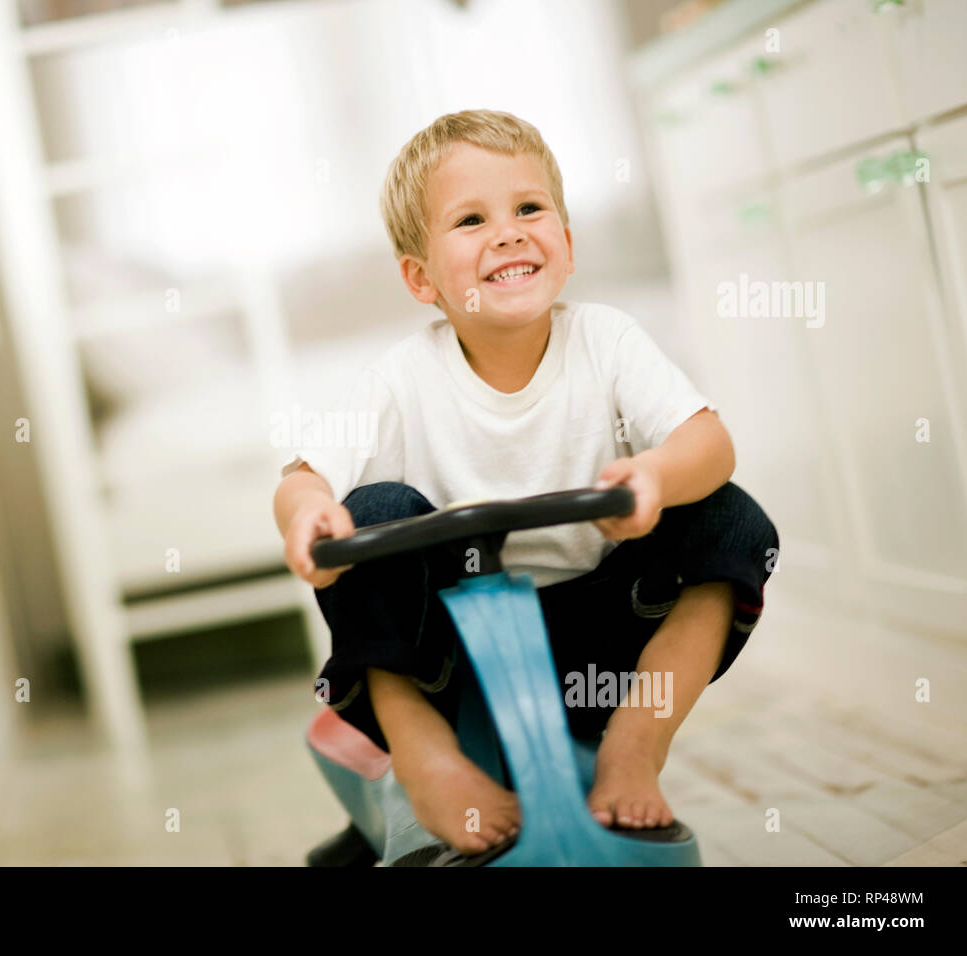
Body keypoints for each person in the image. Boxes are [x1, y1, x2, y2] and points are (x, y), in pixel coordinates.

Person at [273, 109, 778, 857]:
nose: (509, 232)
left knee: (731, 517)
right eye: (471, 219)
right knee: (367, 513)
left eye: (529, 209)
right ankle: (426, 759)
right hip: (451, 652)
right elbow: (303, 476)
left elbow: (709, 442)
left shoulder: (605, 341)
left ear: (567, 246)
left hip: (598, 638)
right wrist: (309, 515)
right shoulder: (400, 379)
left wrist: (653, 477)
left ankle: (636, 742)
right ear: (420, 277)